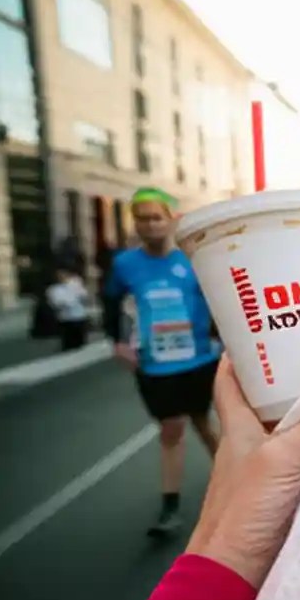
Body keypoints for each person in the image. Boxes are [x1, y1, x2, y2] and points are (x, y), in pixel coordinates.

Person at [83, 359, 300, 600]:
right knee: (173, 431)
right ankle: (186, 493)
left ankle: (235, 471)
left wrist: (226, 546)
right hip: (162, 368)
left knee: (202, 423)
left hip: (193, 364)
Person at [102, 187, 222, 536]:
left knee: (202, 423)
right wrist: (118, 342)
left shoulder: (192, 258)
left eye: (157, 217)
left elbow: (217, 299)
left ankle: (232, 481)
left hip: (198, 359)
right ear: (134, 224)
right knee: (171, 429)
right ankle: (170, 508)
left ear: (171, 220)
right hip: (155, 363)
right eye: (142, 219)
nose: (150, 225)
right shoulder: (125, 264)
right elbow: (111, 302)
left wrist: (221, 337)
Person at [47, 265, 91, 351]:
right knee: (68, 335)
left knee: (78, 334)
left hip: (78, 314)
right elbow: (54, 301)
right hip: (65, 315)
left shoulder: (76, 283)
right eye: (59, 275)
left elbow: (83, 295)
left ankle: (78, 343)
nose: (61, 277)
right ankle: (69, 345)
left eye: (63, 274)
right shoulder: (54, 289)